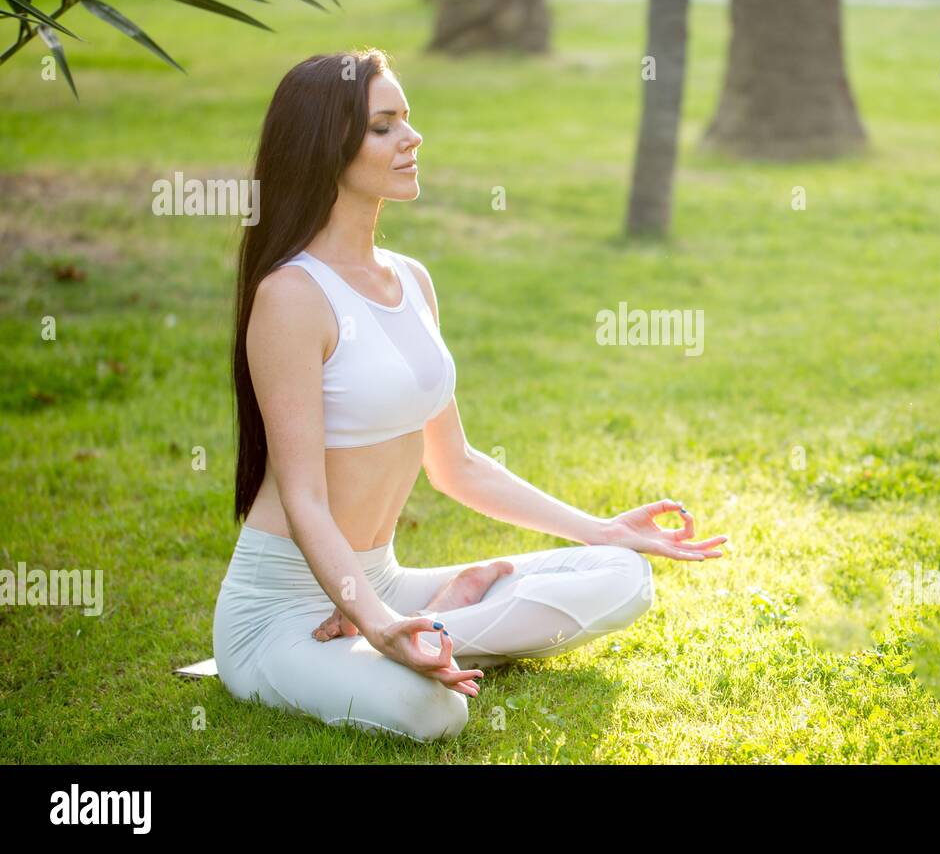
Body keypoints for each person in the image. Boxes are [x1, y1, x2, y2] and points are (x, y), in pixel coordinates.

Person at [214, 48, 727, 742]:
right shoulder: (291, 298)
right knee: (435, 713)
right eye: (384, 126)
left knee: (622, 575)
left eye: (408, 119)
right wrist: (365, 612)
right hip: (283, 613)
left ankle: (429, 627)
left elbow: (456, 464)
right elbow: (304, 499)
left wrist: (602, 528)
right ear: (323, 149)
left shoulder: (412, 280)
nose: (412, 138)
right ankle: (392, 639)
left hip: (383, 582)